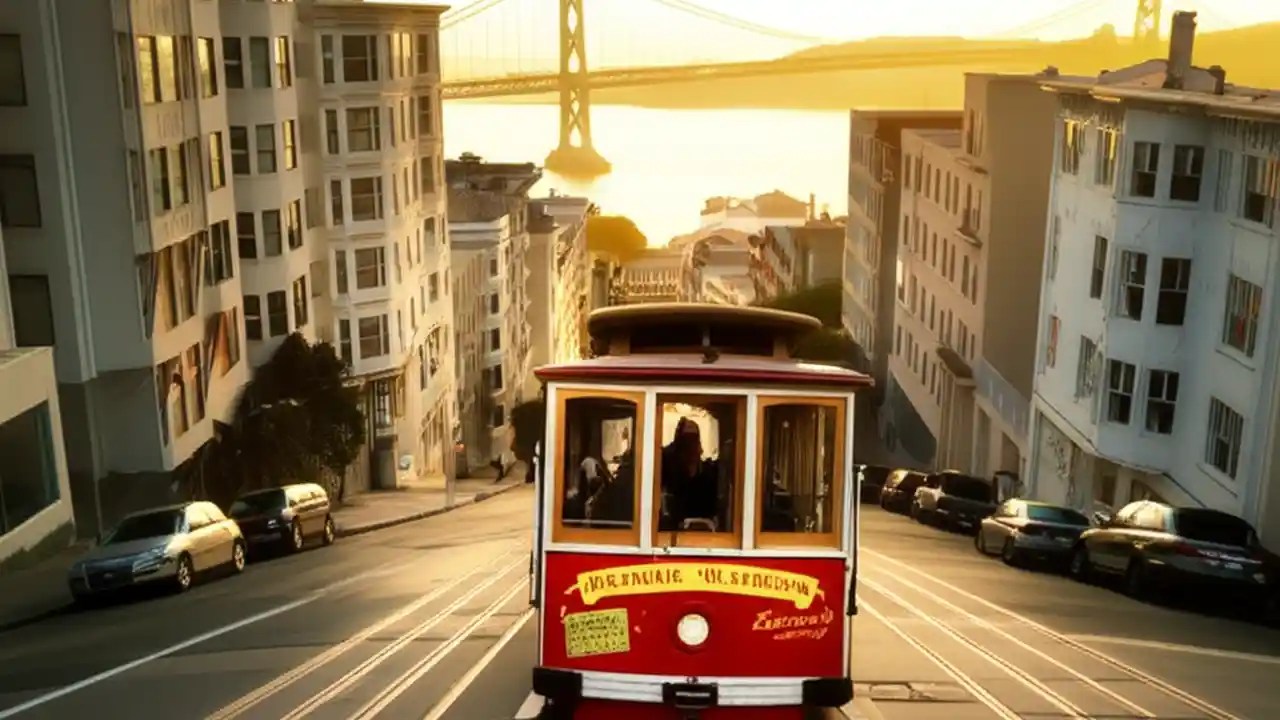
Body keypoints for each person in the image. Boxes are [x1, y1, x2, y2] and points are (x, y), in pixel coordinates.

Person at [659, 417, 719, 531]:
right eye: (686, 440)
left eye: (693, 439)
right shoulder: (667, 465)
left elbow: (711, 508)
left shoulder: (707, 474)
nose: (690, 445)